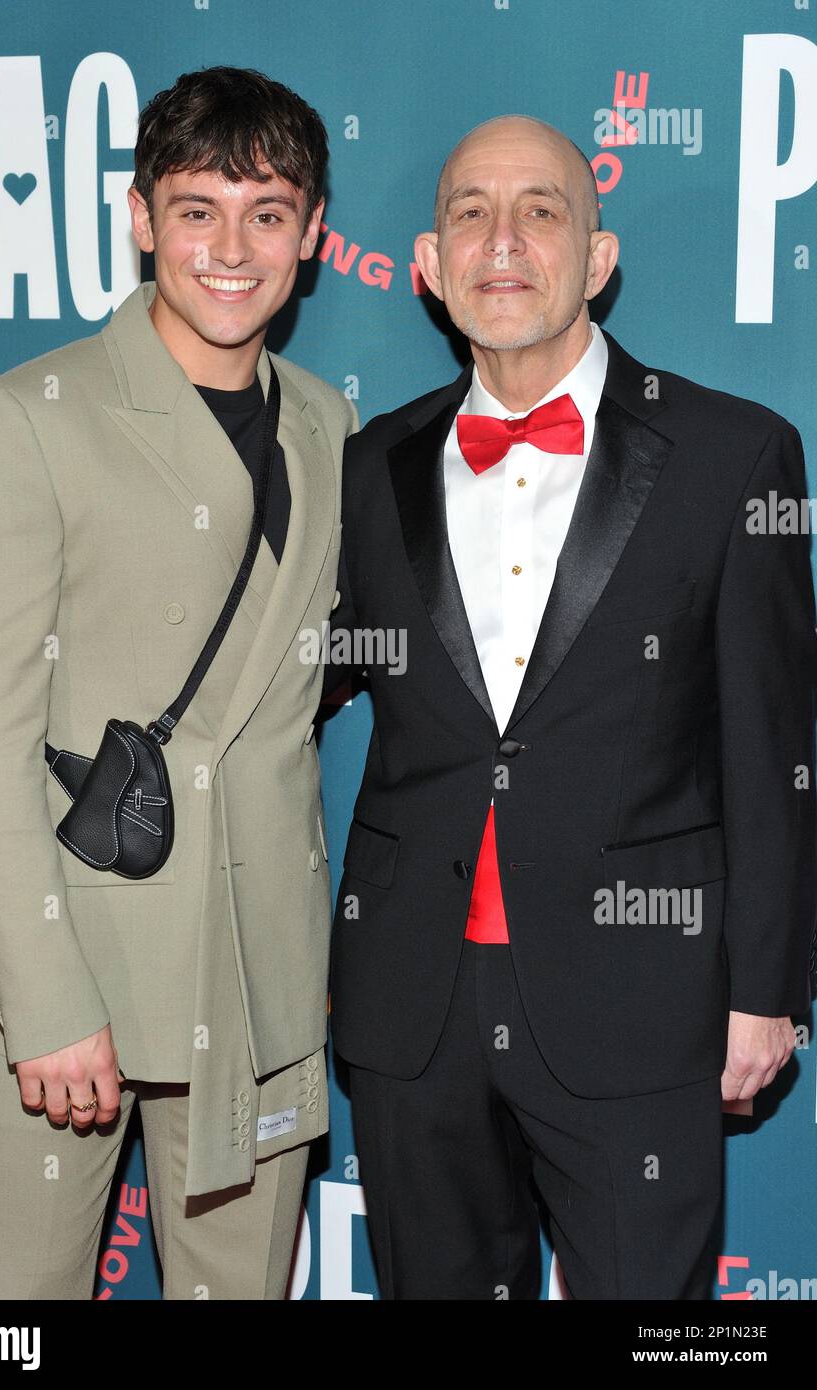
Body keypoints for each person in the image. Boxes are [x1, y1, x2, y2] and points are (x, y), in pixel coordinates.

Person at [325, 114, 816, 1299]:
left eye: (542, 210)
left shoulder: (734, 456)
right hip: (414, 1008)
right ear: (430, 268)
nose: (505, 241)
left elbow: (773, 745)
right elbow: (284, 686)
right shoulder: (366, 464)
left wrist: (766, 993)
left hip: (642, 999)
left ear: (596, 258)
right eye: (470, 214)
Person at [0, 66, 357, 1300]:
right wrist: (49, 998)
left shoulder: (329, 427)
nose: (232, 247)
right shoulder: (23, 420)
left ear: (313, 234)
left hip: (263, 979)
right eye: (196, 208)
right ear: (138, 218)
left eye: (267, 212)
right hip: (74, 973)